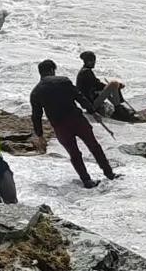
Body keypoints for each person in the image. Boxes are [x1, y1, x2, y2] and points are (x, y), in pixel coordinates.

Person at [29, 59, 119, 188]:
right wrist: (93, 112)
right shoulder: (64, 81)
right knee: (94, 146)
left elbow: (36, 116)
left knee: (74, 154)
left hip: (60, 127)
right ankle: (109, 174)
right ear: (52, 70)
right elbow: (80, 97)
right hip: (77, 120)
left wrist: (40, 135)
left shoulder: (36, 91)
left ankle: (87, 181)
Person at [76, 51, 138, 123]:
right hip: (91, 104)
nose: (93, 62)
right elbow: (98, 85)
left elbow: (97, 86)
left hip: (92, 100)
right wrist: (117, 86)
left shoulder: (85, 71)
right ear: (85, 61)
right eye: (90, 61)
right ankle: (118, 109)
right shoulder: (85, 72)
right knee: (113, 84)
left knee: (110, 86)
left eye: (93, 60)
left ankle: (119, 106)